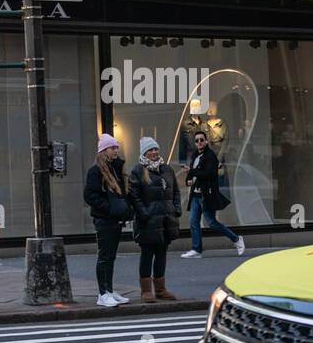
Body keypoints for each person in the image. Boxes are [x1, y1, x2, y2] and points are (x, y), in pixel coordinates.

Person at [128, 137, 181, 303]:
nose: (154, 152)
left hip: (165, 220)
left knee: (161, 254)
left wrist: (176, 209)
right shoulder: (138, 171)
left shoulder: (166, 169)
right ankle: (146, 291)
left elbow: (176, 191)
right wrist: (144, 213)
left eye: (156, 149)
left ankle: (160, 289)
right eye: (150, 150)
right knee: (147, 254)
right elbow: (133, 196)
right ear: (144, 152)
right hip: (148, 221)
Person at [83, 134, 133, 307]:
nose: (116, 150)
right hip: (104, 219)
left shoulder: (115, 168)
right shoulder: (95, 171)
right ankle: (102, 293)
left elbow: (121, 192)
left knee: (111, 256)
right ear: (104, 151)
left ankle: (109, 290)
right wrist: (109, 208)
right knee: (104, 256)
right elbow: (89, 195)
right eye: (113, 148)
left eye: (116, 147)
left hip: (114, 218)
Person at [181, 130, 244, 259]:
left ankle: (237, 239)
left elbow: (208, 174)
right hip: (196, 195)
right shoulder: (194, 155)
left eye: (201, 140)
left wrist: (191, 171)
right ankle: (196, 249)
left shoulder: (210, 156)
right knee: (193, 221)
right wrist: (188, 178)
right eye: (196, 140)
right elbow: (194, 172)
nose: (199, 142)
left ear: (206, 141)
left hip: (206, 195)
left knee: (212, 222)